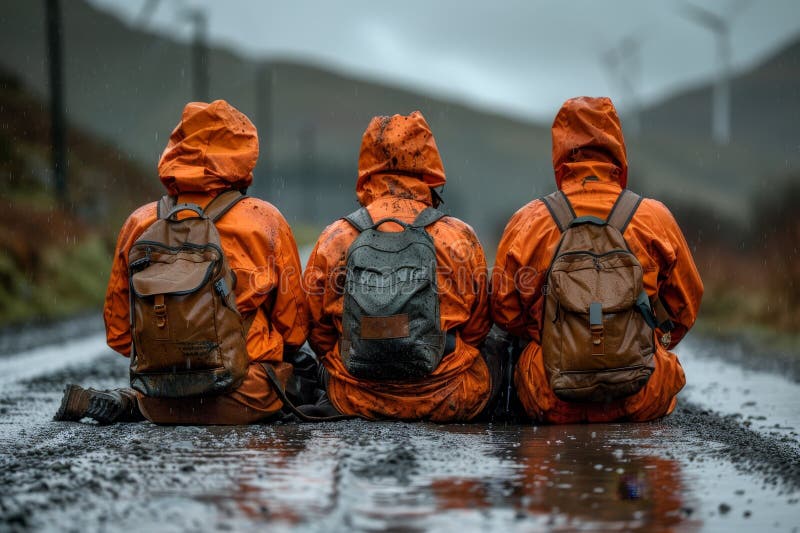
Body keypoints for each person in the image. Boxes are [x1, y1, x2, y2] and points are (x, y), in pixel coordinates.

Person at [55, 100, 309, 425]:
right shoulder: (265, 221)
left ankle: (133, 401)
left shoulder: (140, 222)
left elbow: (120, 334)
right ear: (244, 156)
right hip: (245, 398)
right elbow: (294, 330)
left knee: (160, 392)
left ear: (176, 149)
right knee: (304, 377)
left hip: (160, 402)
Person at [491, 96, 703, 424]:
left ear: (560, 153)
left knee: (519, 357)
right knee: (662, 364)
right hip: (640, 396)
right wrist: (645, 342)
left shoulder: (530, 220)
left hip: (553, 397)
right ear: (617, 149)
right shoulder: (654, 217)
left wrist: (551, 336)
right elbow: (685, 307)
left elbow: (503, 310)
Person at [302, 111, 500, 422]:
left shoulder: (335, 237)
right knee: (499, 351)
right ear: (430, 164)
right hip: (447, 397)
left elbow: (317, 332)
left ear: (367, 165)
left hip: (355, 398)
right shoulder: (458, 237)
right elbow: (478, 327)